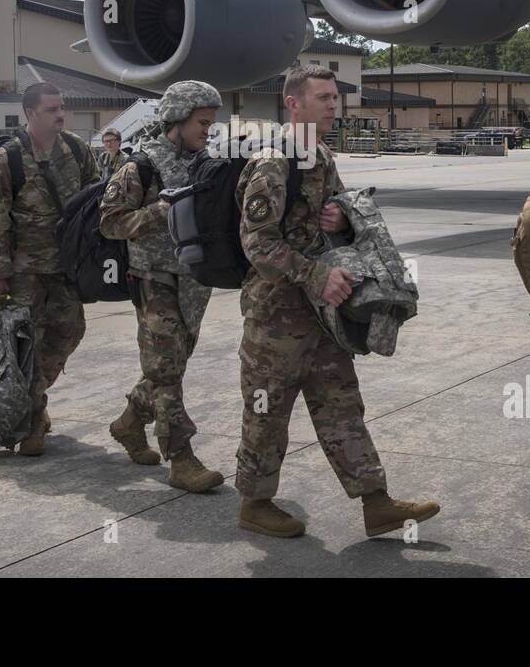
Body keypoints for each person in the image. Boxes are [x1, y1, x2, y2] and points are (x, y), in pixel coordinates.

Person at [234, 64, 440, 539]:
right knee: (267, 411)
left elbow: (338, 215)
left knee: (342, 404)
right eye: (323, 97)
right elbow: (258, 244)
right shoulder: (271, 162)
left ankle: (376, 502)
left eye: (334, 97)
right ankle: (255, 502)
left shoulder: (322, 156)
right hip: (276, 318)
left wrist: (340, 222)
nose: (334, 105)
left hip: (322, 315)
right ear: (293, 104)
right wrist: (316, 274)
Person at [100, 81, 224, 492]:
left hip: (194, 283)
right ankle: (182, 459)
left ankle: (130, 422)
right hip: (154, 279)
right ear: (177, 120)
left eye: (211, 122)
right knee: (167, 372)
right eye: (202, 122)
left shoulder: (206, 162)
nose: (209, 130)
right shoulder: (141, 166)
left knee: (168, 365)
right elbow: (111, 221)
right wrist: (159, 210)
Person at [0, 82, 102, 455]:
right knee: (26, 345)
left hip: (66, 266)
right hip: (24, 270)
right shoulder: (7, 159)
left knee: (69, 331)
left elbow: (94, 200)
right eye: (51, 109)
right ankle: (33, 419)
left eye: (62, 107)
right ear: (31, 114)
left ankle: (34, 398)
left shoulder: (78, 151)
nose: (60, 115)